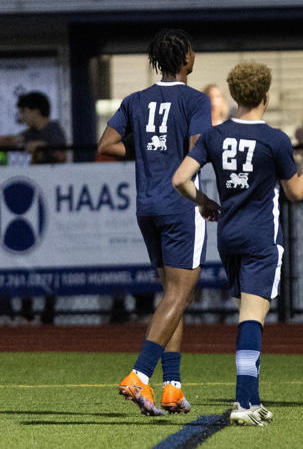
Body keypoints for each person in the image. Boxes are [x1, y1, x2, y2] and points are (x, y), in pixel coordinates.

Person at [173, 62, 303, 426]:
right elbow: (297, 192)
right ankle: (243, 401)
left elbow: (180, 179)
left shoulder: (214, 135)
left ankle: (252, 399)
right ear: (266, 96)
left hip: (228, 236)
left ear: (236, 96)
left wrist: (204, 202)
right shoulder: (274, 139)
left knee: (249, 313)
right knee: (252, 318)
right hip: (260, 238)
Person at [97, 28, 212, 416]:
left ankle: (173, 388)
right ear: (185, 60)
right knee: (181, 294)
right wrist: (206, 196)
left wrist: (145, 149)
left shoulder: (135, 100)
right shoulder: (196, 100)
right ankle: (139, 375)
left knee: (171, 295)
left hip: (147, 205)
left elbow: (106, 145)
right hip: (181, 204)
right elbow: (199, 149)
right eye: (192, 51)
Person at [0, 91, 66, 324]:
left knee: (51, 257)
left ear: (35, 111)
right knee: (26, 253)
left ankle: (48, 312)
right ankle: (26, 312)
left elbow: (61, 155)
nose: (21, 116)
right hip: (34, 205)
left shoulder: (53, 130)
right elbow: (11, 140)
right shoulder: (31, 133)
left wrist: (41, 146)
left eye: (23, 111)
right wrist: (21, 142)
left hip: (51, 208)